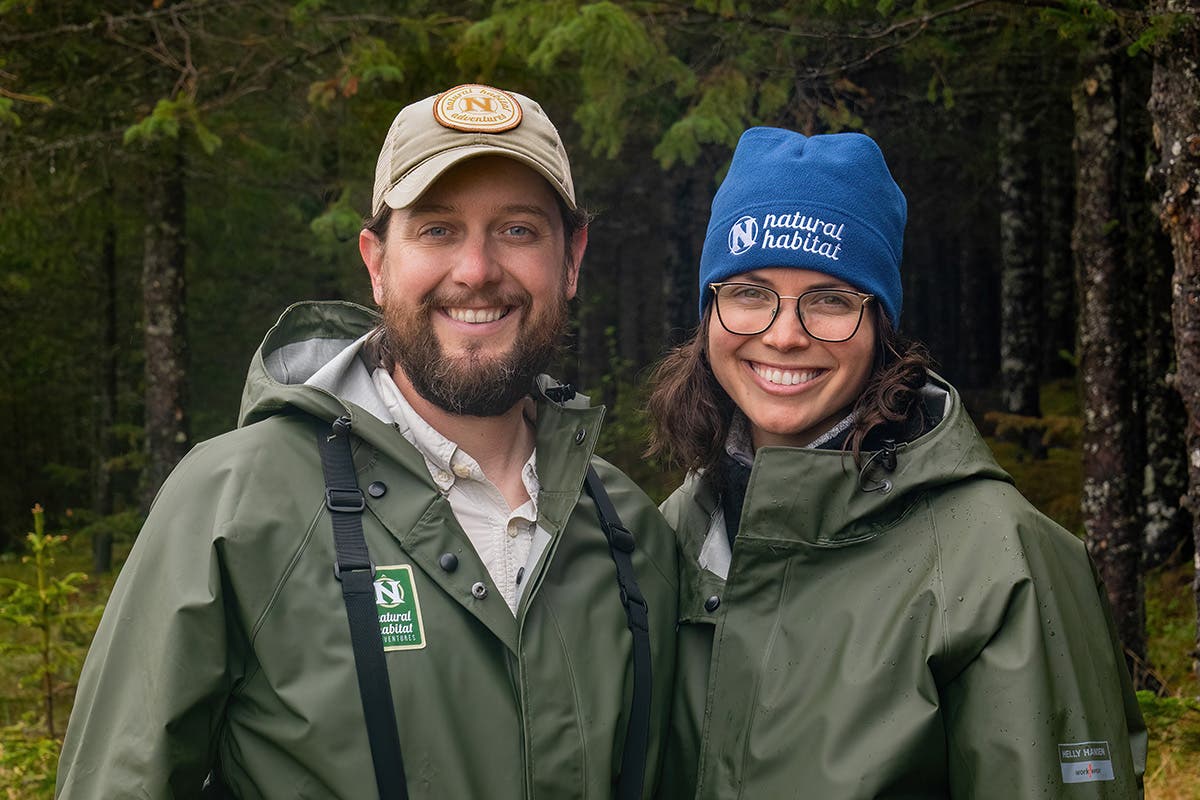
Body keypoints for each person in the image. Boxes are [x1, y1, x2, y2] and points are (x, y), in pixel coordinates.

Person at [57, 83, 677, 799]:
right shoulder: (234, 505)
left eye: (517, 230)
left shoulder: (630, 532)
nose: (476, 271)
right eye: (437, 230)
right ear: (377, 262)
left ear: (572, 260)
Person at [647, 127, 1146, 799]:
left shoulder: (1001, 565)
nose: (785, 334)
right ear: (708, 313)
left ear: (881, 326)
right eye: (749, 292)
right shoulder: (672, 534)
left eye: (830, 299)